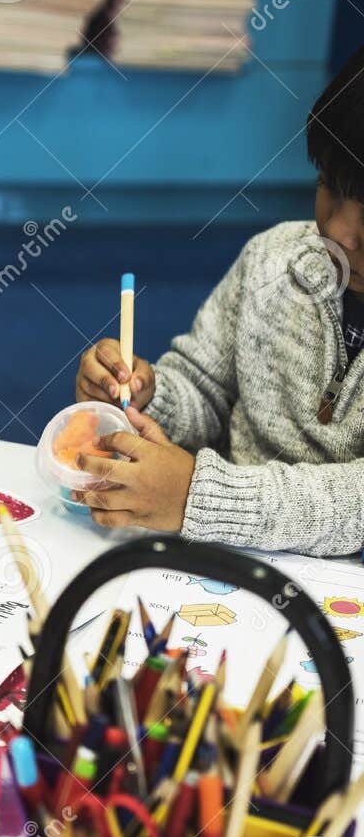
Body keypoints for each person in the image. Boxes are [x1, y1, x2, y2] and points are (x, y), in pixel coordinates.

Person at [72, 47, 364, 555]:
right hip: (217, 559)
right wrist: (145, 395)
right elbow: (205, 388)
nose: (339, 230)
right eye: (328, 187)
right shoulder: (272, 260)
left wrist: (199, 496)